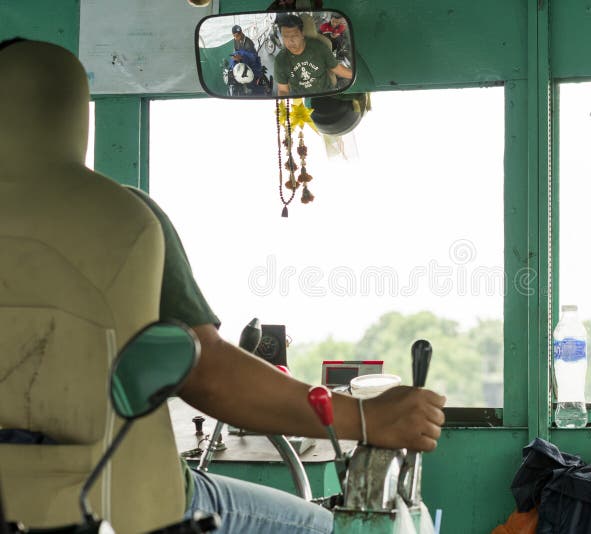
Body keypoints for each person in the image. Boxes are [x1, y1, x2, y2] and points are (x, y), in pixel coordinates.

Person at [1, 39, 447, 534]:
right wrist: (365, 419)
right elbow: (204, 370)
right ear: (73, 116)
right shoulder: (124, 220)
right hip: (129, 505)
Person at [274, 14, 352, 96]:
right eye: (285, 36)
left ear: (302, 34)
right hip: (301, 98)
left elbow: (338, 69)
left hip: (326, 93)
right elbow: (283, 90)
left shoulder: (319, 47)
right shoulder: (280, 60)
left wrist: (357, 76)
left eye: (294, 35)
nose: (290, 41)